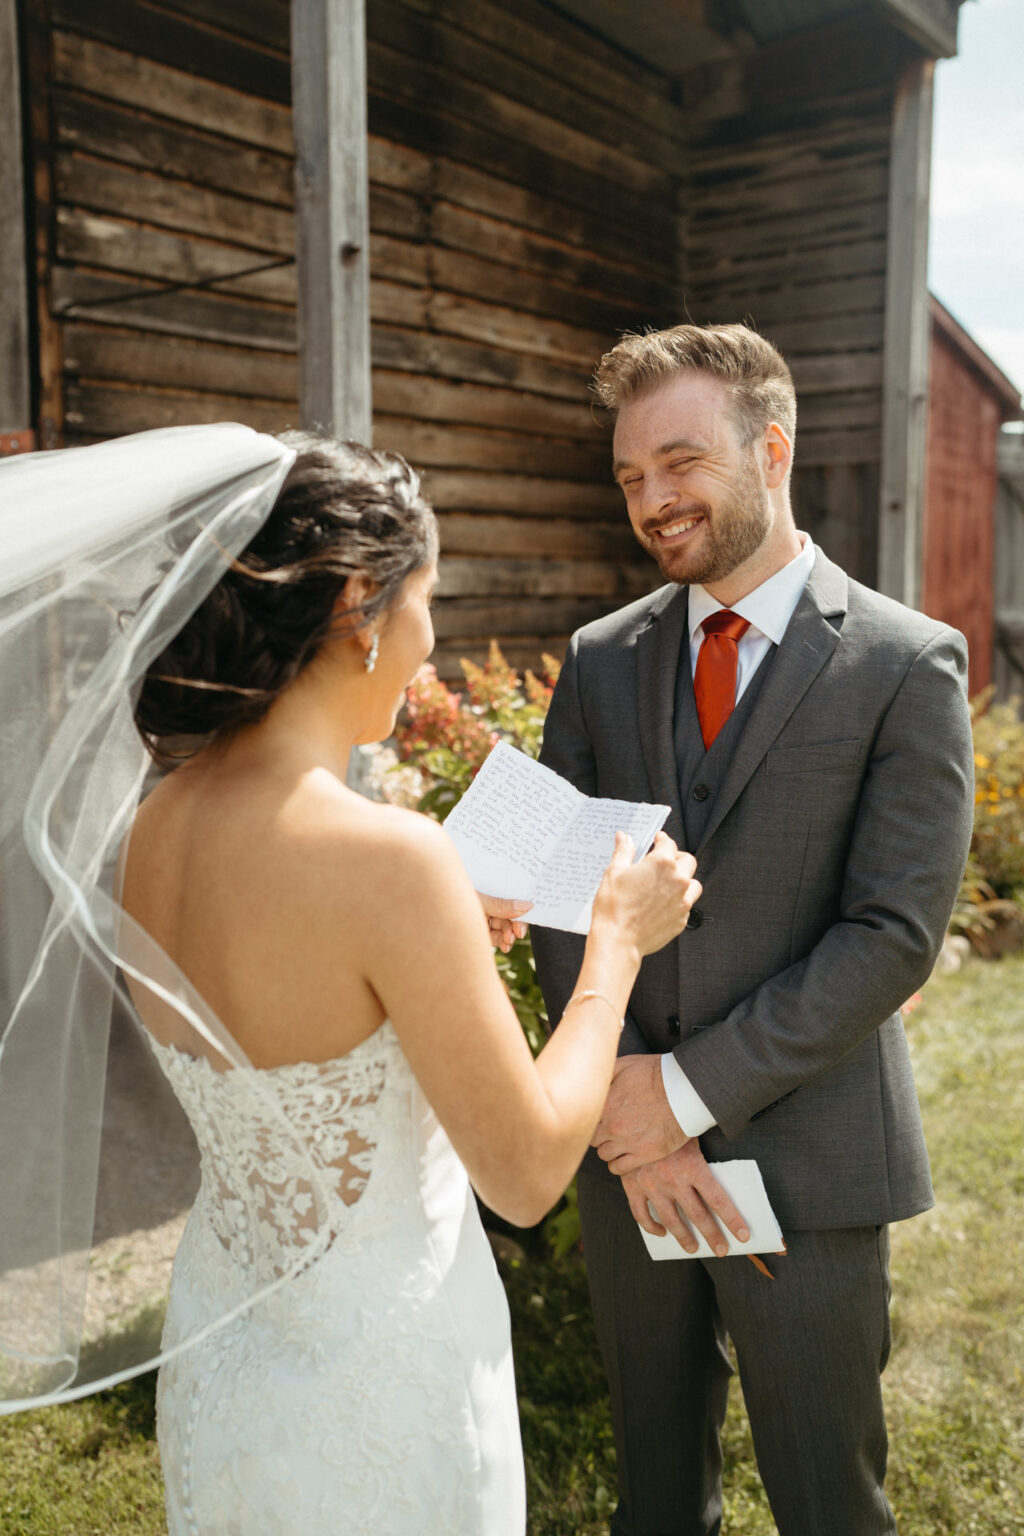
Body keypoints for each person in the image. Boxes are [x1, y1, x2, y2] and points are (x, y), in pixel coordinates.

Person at [0, 422, 701, 1535]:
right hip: (386, 1378)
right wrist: (615, 944)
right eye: (428, 600)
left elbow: (295, 1000)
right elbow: (524, 1176)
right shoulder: (389, 861)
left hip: (224, 1353)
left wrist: (436, 940)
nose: (432, 639)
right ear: (361, 605)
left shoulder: (150, 830)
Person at [530, 323, 975, 1536]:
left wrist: (678, 1098)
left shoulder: (904, 663)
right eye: (631, 475)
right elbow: (564, 896)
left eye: (680, 462)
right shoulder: (599, 660)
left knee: (828, 1501)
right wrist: (631, 1117)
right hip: (625, 1163)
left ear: (771, 451)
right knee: (654, 1496)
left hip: (811, 1161)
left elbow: (890, 935)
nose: (652, 500)